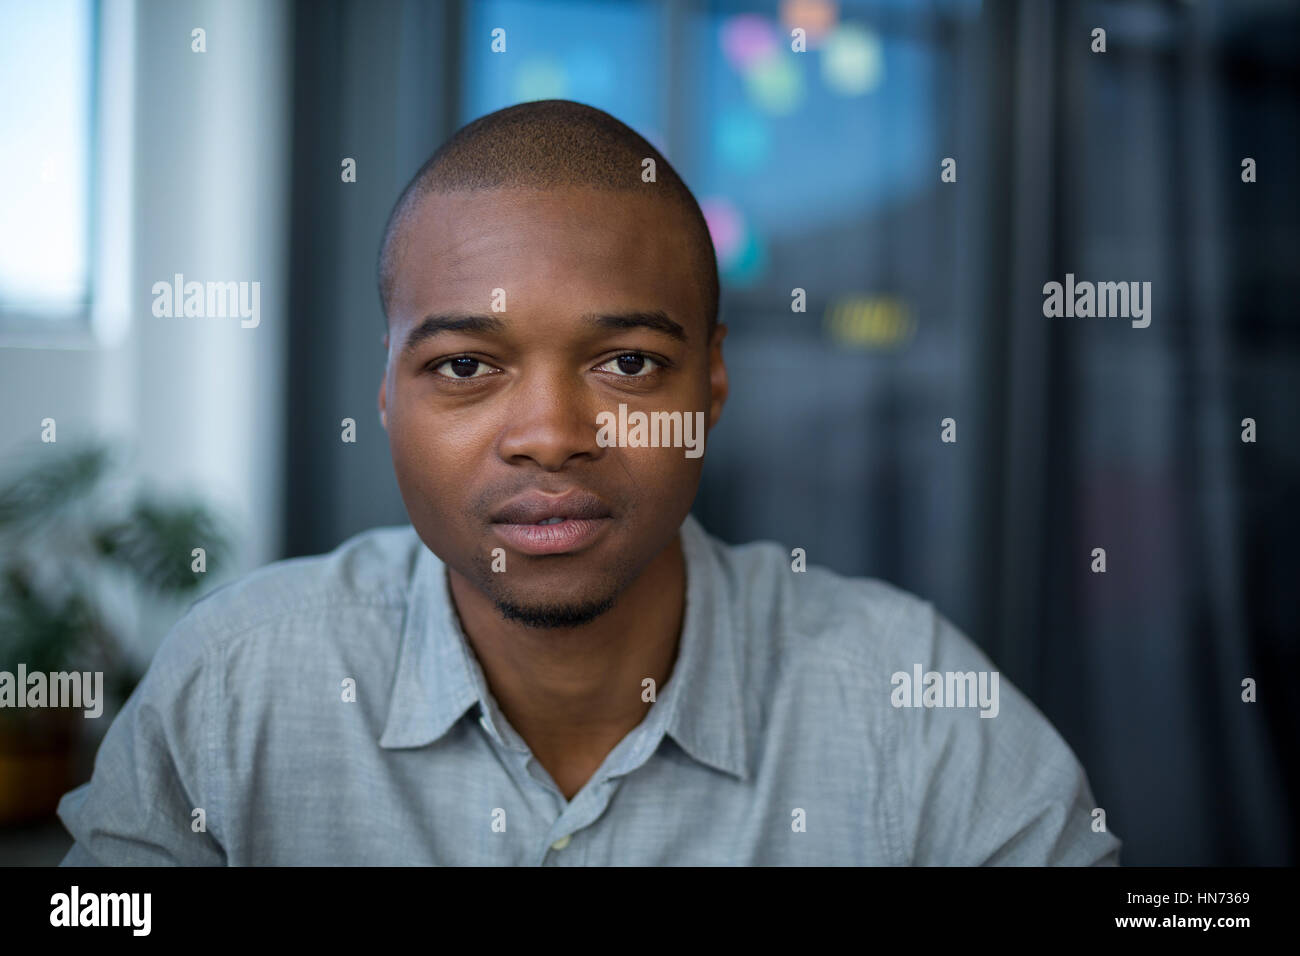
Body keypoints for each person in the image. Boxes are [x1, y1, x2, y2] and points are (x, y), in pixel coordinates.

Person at [58, 100, 1120, 865]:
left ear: (709, 384)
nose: (552, 436)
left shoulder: (910, 702)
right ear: (386, 395)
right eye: (465, 366)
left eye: (627, 365)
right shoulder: (241, 680)